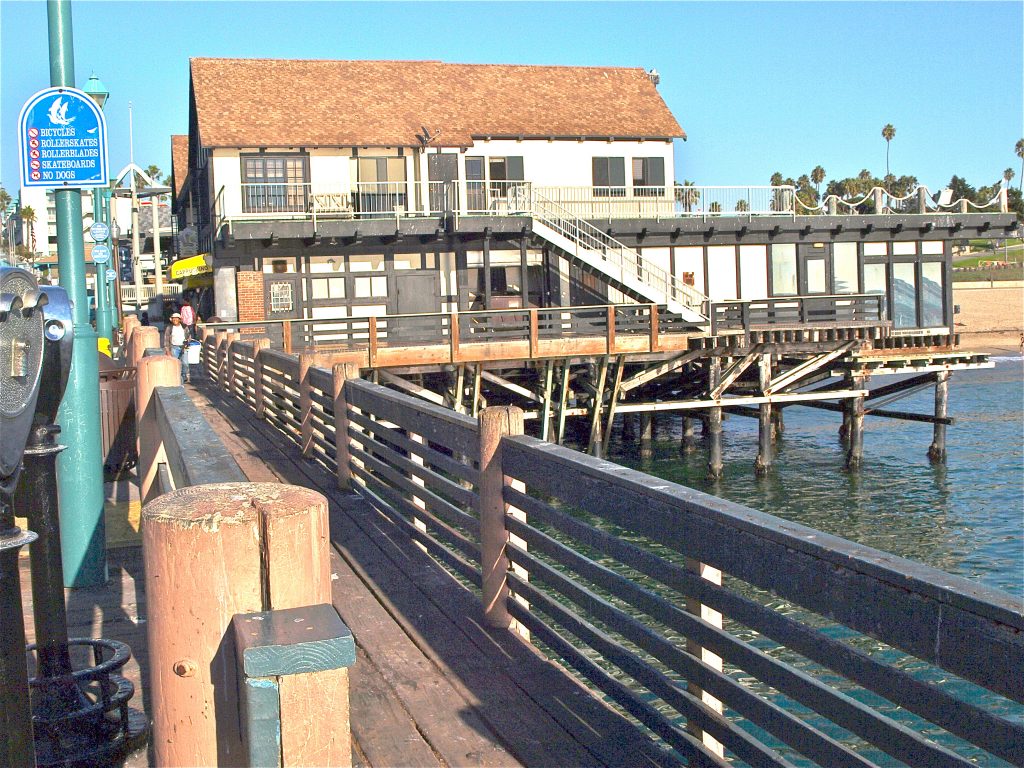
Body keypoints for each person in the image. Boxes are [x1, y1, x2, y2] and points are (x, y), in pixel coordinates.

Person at [163, 312, 190, 384]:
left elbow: (188, 336)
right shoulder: (169, 328)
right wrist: (167, 350)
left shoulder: (184, 327)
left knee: (185, 363)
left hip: (183, 347)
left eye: (176, 319)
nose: (175, 320)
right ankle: (176, 377)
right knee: (175, 363)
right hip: (174, 347)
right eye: (173, 319)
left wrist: (187, 342)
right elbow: (166, 339)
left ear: (179, 320)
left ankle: (184, 377)